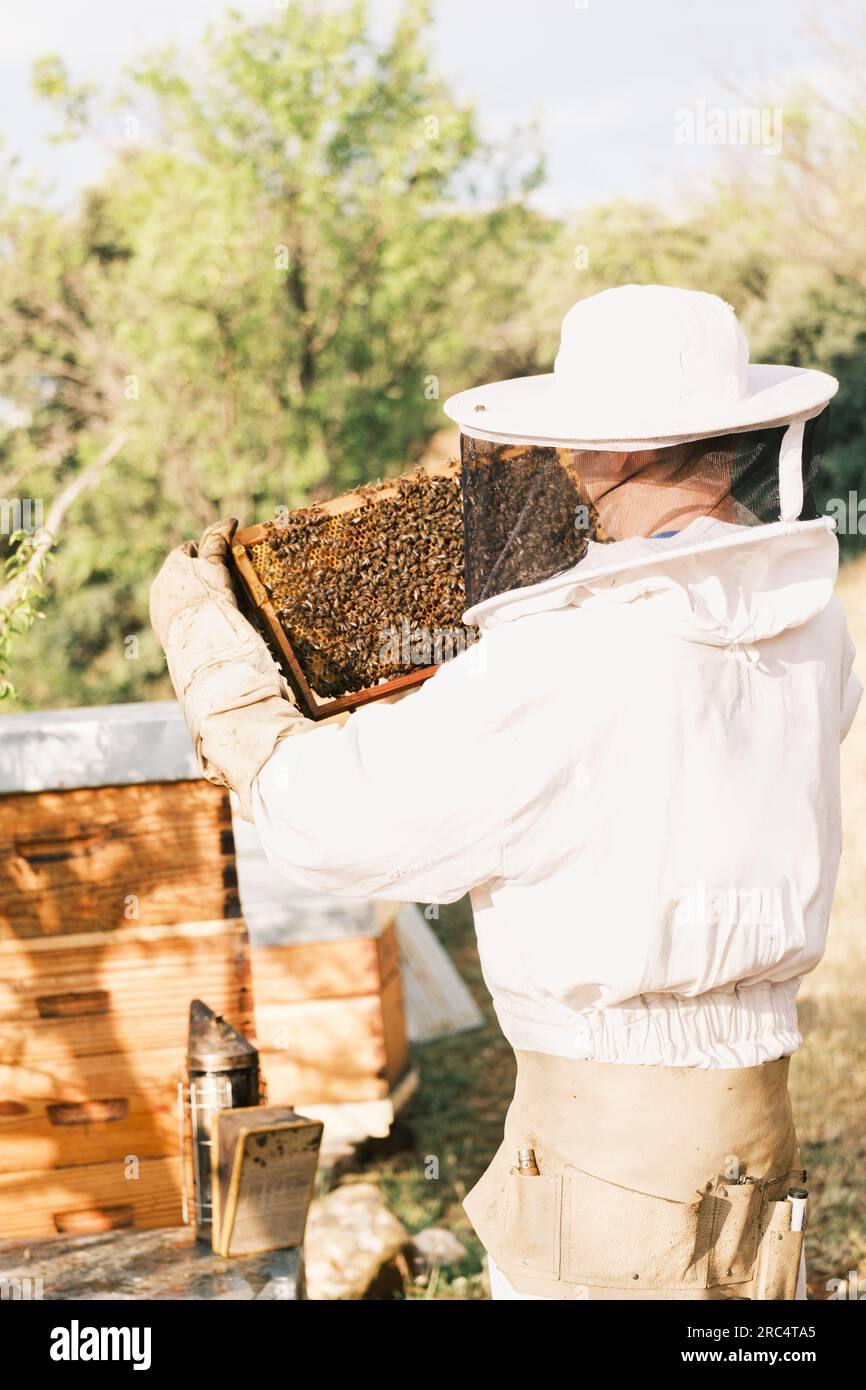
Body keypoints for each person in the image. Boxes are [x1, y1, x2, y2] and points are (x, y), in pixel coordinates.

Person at [151, 285, 861, 1300]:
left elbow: (320, 816)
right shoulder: (805, 617)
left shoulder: (571, 656)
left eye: (571, 448)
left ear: (609, 453)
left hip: (612, 1179)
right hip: (758, 1144)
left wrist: (205, 643)